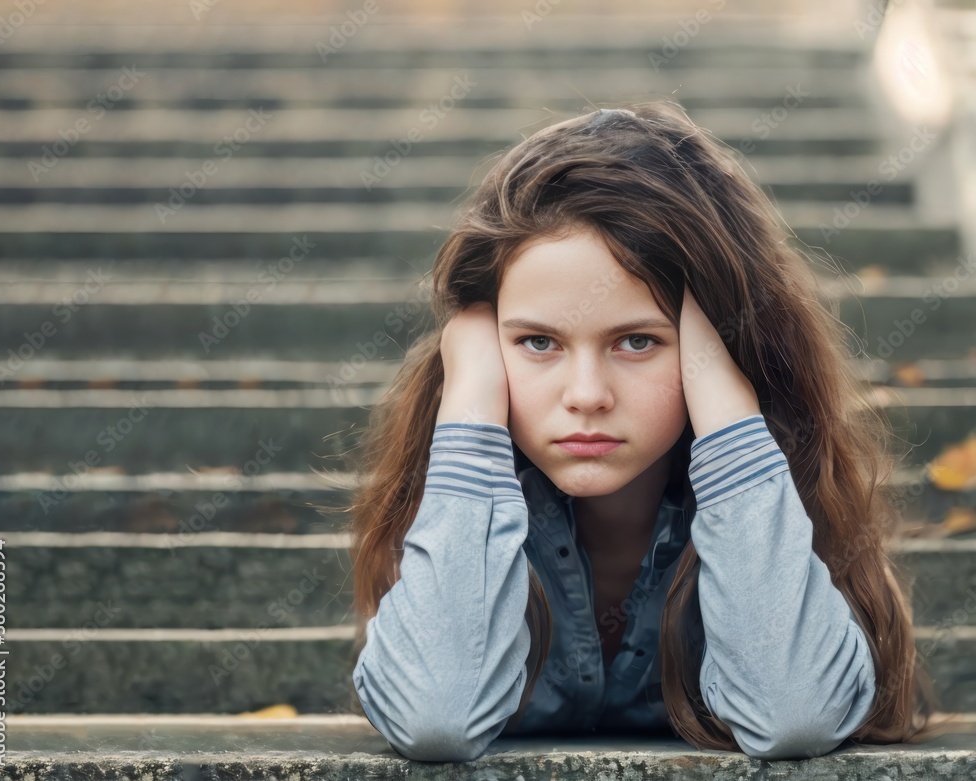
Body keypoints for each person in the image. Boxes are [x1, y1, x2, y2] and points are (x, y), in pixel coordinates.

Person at [342, 102, 948, 762]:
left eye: (637, 341)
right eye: (538, 341)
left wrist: (727, 406)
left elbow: (795, 712)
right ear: (487, 341)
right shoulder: (468, 499)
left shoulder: (766, 496)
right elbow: (435, 714)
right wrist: (466, 404)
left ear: (712, 342)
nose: (587, 396)